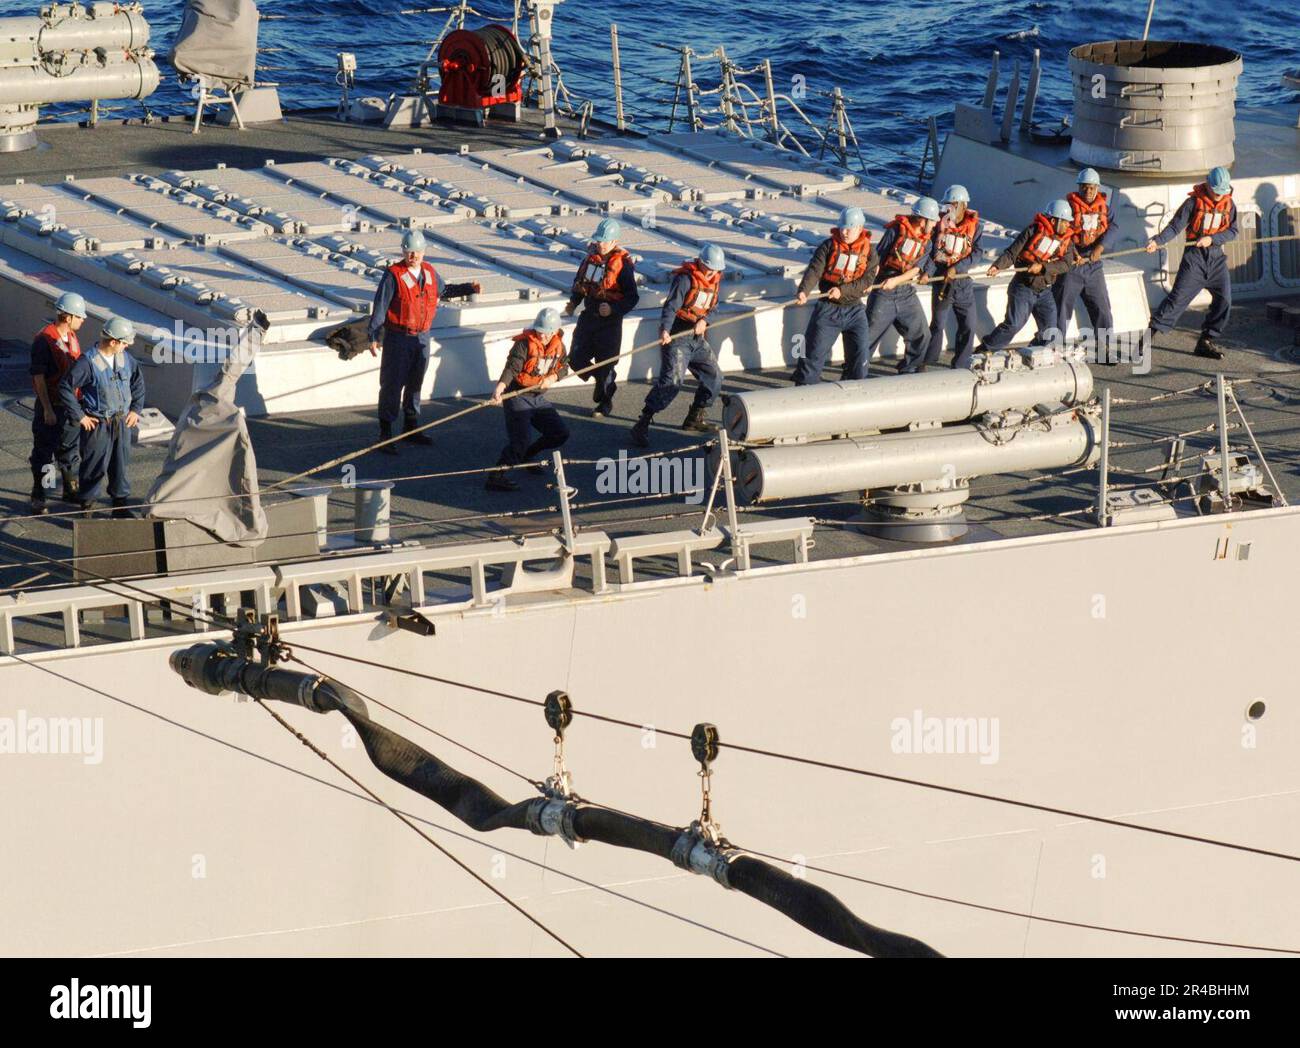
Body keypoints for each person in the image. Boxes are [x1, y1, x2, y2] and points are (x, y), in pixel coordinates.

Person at [367, 229, 478, 454]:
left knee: (415, 381)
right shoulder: (393, 275)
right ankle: (385, 432)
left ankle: (411, 426)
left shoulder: (428, 272)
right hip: (398, 336)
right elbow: (380, 307)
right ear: (403, 252)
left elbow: (443, 290)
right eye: (409, 252)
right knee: (392, 384)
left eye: (417, 252)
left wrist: (469, 288)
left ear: (424, 252)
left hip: (422, 336)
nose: (413, 256)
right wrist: (374, 336)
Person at [630, 244, 726, 447]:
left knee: (714, 376)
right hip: (678, 335)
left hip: (697, 338)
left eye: (715, 270)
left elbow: (715, 307)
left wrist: (705, 320)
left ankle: (695, 417)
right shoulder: (685, 279)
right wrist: (665, 330)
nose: (711, 273)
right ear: (700, 263)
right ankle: (643, 422)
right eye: (709, 268)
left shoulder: (715, 281)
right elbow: (671, 306)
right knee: (671, 382)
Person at [1145, 166, 1237, 360]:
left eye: (1223, 191)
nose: (1219, 195)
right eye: (1216, 191)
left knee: (1225, 300)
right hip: (1194, 259)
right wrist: (1157, 241)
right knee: (1177, 299)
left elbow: (1233, 231)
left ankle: (1206, 340)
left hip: (1216, 259)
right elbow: (1175, 226)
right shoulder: (1193, 203)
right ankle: (1148, 337)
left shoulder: (1230, 205)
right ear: (1208, 186)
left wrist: (1213, 239)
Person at [59, 315, 146, 518]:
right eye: (124, 343)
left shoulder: (125, 359)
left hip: (121, 422)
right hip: (98, 424)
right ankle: (87, 505)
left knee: (120, 463)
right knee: (93, 465)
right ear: (113, 342)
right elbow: (65, 386)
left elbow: (138, 382)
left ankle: (119, 505)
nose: (126, 347)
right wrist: (80, 416)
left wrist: (135, 409)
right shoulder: (88, 362)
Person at [485, 307, 570, 492]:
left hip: (538, 398)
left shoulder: (559, 346)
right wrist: (500, 389)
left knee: (560, 433)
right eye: (539, 331)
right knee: (519, 441)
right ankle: (496, 475)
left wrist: (553, 377)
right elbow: (512, 367)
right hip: (517, 397)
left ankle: (528, 455)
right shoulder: (523, 344)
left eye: (545, 333)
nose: (541, 336)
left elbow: (564, 367)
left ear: (555, 332)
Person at [976, 200, 1078, 353]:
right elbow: (1012, 253)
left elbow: (1066, 264)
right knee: (1014, 324)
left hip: (1045, 291)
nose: (1067, 226)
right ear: (1053, 220)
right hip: (1023, 288)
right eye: (1064, 222)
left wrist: (1043, 267)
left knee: (1050, 331)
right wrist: (998, 266)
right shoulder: (1032, 231)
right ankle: (985, 349)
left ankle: (1035, 352)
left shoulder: (1067, 242)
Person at [791, 206, 877, 385]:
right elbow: (814, 270)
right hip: (828, 309)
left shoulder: (870, 252)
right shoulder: (828, 246)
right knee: (813, 354)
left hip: (855, 310)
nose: (844, 232)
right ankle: (803, 387)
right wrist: (803, 291)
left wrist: (842, 290)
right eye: (842, 227)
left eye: (849, 228)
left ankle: (853, 386)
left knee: (860, 356)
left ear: (860, 228)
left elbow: (866, 281)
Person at [564, 217, 639, 416]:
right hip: (589, 316)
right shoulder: (590, 260)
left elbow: (632, 297)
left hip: (610, 321)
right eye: (598, 240)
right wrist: (574, 302)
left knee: (607, 362)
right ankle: (600, 377)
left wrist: (613, 310)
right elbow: (581, 284)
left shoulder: (623, 265)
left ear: (614, 242)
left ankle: (605, 402)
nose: (600, 244)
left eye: (604, 241)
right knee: (575, 359)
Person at [861, 197, 940, 378]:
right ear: (922, 220)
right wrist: (869, 282)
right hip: (883, 290)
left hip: (905, 291)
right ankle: (856, 371)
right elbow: (877, 260)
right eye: (933, 221)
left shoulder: (927, 241)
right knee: (867, 337)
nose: (935, 225)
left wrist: (897, 281)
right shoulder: (895, 231)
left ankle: (910, 368)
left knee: (922, 335)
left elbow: (916, 269)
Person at [906, 186, 982, 372]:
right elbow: (932, 253)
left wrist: (958, 268)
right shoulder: (939, 225)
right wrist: (928, 273)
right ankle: (926, 361)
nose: (948, 208)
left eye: (952, 205)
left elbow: (978, 253)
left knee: (969, 325)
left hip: (963, 283)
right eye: (947, 205)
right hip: (942, 282)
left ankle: (961, 364)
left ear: (962, 205)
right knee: (938, 324)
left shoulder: (976, 227)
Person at [28, 292, 87, 514]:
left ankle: (70, 489)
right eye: (80, 316)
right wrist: (47, 409)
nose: (83, 320)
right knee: (45, 451)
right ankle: (40, 493)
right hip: (51, 405)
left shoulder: (70, 337)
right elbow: (38, 377)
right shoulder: (44, 340)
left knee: (69, 449)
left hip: (70, 405)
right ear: (68, 316)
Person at [1054, 168, 1119, 362]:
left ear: (1097, 188)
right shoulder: (1069, 207)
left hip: (1093, 264)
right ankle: (1055, 348)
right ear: (1079, 187)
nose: (1088, 191)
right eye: (1085, 187)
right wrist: (1071, 252)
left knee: (1102, 307)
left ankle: (1106, 348)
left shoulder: (1105, 208)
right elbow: (1061, 231)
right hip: (1072, 264)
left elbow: (1113, 227)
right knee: (1062, 307)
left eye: (1092, 187)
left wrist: (1100, 247)